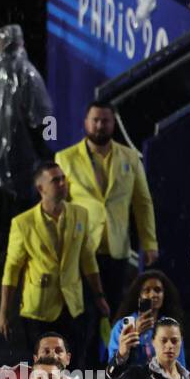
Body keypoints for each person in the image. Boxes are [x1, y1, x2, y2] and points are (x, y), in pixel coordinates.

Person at [53, 101, 158, 315]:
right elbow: (58, 206)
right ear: (85, 123)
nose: (100, 125)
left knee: (116, 310)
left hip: (116, 248)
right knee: (83, 314)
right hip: (81, 248)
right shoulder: (65, 158)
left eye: (105, 121)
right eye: (95, 120)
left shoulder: (130, 158)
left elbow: (143, 203)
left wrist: (149, 242)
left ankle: (113, 349)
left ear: (114, 124)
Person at [0, 160, 110, 358]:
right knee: (41, 370)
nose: (62, 183)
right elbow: (12, 269)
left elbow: (87, 258)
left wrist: (99, 295)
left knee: (74, 366)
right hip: (38, 309)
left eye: (63, 179)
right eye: (55, 180)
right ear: (41, 188)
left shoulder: (79, 215)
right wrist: (4, 311)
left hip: (72, 305)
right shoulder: (23, 223)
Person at [0, 23, 53, 255]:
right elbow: (44, 115)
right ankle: (18, 246)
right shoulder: (29, 74)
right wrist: (48, 148)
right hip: (21, 149)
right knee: (21, 199)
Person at [105, 269, 186, 371]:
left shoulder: (171, 327)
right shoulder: (123, 326)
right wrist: (134, 334)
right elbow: (112, 368)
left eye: (157, 290)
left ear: (164, 295)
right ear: (139, 296)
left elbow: (180, 367)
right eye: (146, 290)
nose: (153, 295)